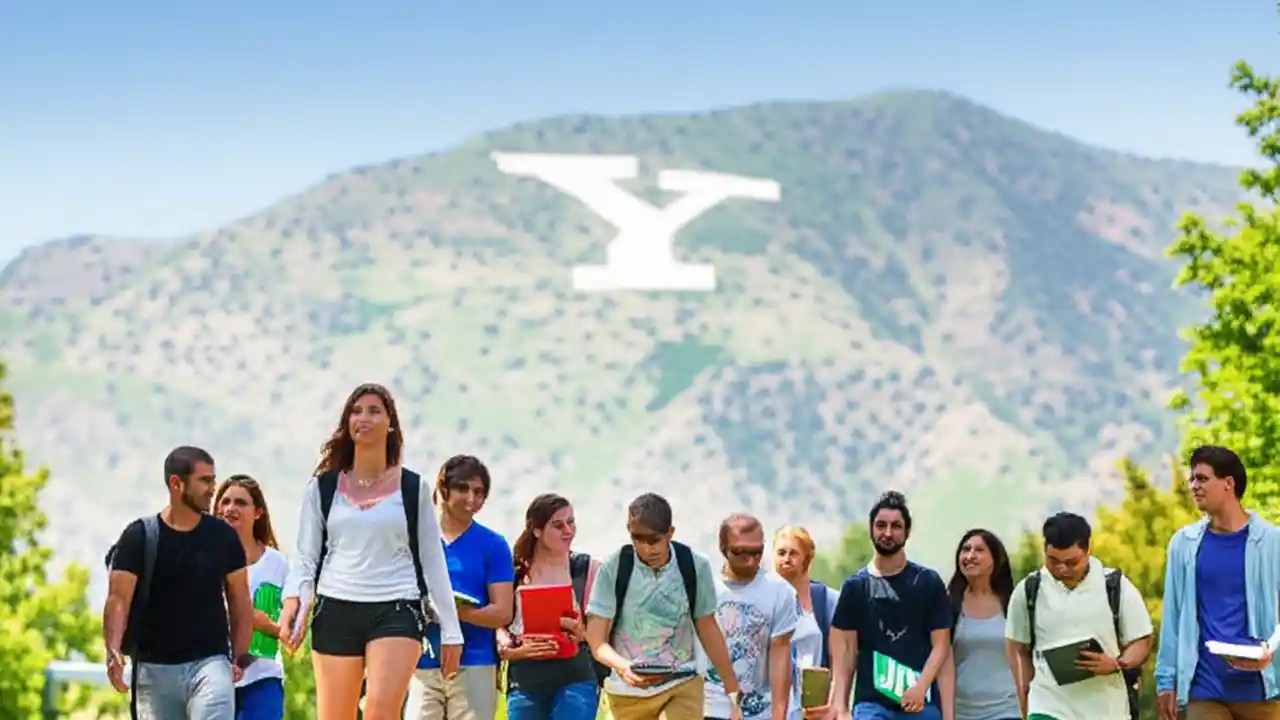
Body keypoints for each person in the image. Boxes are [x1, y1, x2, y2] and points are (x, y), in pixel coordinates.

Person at [278, 382, 462, 720]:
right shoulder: (323, 488)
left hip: (397, 609)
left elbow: (433, 562)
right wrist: (295, 601)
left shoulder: (413, 488)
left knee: (380, 712)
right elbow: (305, 558)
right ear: (347, 422)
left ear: (390, 422)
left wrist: (451, 629)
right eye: (356, 411)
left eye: (375, 410)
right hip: (336, 608)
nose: (364, 417)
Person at [103, 446, 254, 719]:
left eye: (213, 479)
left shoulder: (223, 537)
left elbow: (240, 602)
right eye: (204, 480)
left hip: (211, 664)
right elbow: (118, 600)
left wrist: (238, 657)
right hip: (153, 671)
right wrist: (113, 649)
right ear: (176, 483)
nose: (212, 488)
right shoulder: (139, 537)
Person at [584, 492, 744, 720]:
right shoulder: (615, 567)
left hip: (682, 682)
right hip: (627, 694)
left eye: (654, 540)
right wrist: (622, 666)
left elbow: (707, 627)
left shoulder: (694, 565)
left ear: (670, 532)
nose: (647, 548)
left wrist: (732, 689)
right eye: (638, 539)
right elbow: (596, 640)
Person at [1155, 445, 1280, 720]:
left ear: (1228, 483)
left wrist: (1271, 651)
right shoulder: (1184, 544)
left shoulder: (1273, 542)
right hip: (1205, 688)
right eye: (1191, 479)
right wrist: (1166, 681)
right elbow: (1173, 615)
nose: (1193, 486)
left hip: (1263, 689)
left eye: (1201, 478)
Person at [1005, 512, 1153, 720]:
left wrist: (1116, 664)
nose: (1062, 569)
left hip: (1106, 709)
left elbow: (1142, 641)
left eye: (1071, 562)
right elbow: (1017, 647)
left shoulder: (1115, 586)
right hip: (1047, 705)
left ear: (1088, 550)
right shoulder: (1029, 590)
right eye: (1053, 560)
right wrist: (1023, 693)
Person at [824, 490, 951, 720]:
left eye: (896, 526)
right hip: (871, 705)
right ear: (871, 529)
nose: (887, 533)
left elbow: (941, 646)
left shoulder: (928, 582)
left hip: (922, 704)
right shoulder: (855, 587)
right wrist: (840, 707)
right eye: (881, 525)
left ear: (907, 532)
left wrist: (921, 687)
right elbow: (846, 654)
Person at [408, 454, 514, 720]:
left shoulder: (493, 545)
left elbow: (503, 612)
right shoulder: (416, 541)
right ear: (443, 490)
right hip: (421, 662)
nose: (472, 499)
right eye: (463, 489)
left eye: (479, 492)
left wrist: (452, 611)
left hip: (475, 663)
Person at [499, 493, 602, 720]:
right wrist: (508, 647)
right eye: (558, 525)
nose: (568, 530)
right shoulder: (514, 573)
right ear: (536, 530)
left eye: (571, 522)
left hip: (575, 674)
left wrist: (581, 633)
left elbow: (603, 628)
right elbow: (499, 623)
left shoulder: (587, 569)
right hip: (525, 678)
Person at [704, 514, 799, 720]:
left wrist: (778, 715)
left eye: (757, 552)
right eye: (740, 552)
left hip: (759, 711)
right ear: (723, 547)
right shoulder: (707, 589)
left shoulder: (779, 592)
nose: (750, 560)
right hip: (710, 707)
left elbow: (780, 654)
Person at [214, 474, 289, 720]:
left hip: (262, 678)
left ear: (258, 512)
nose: (230, 509)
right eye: (224, 502)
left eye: (240, 503)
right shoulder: (204, 558)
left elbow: (287, 630)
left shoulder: (276, 563)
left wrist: (248, 616)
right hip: (210, 678)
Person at [938, 529, 1020, 720]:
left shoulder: (1013, 602)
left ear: (996, 559)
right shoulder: (948, 605)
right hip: (962, 711)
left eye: (979, 550)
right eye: (965, 550)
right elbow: (941, 660)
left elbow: (1024, 656)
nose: (970, 556)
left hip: (1007, 709)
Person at [773, 525, 840, 720]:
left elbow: (840, 659)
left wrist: (835, 702)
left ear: (807, 559)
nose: (786, 559)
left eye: (793, 553)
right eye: (781, 553)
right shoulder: (765, 601)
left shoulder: (827, 601)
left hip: (815, 706)